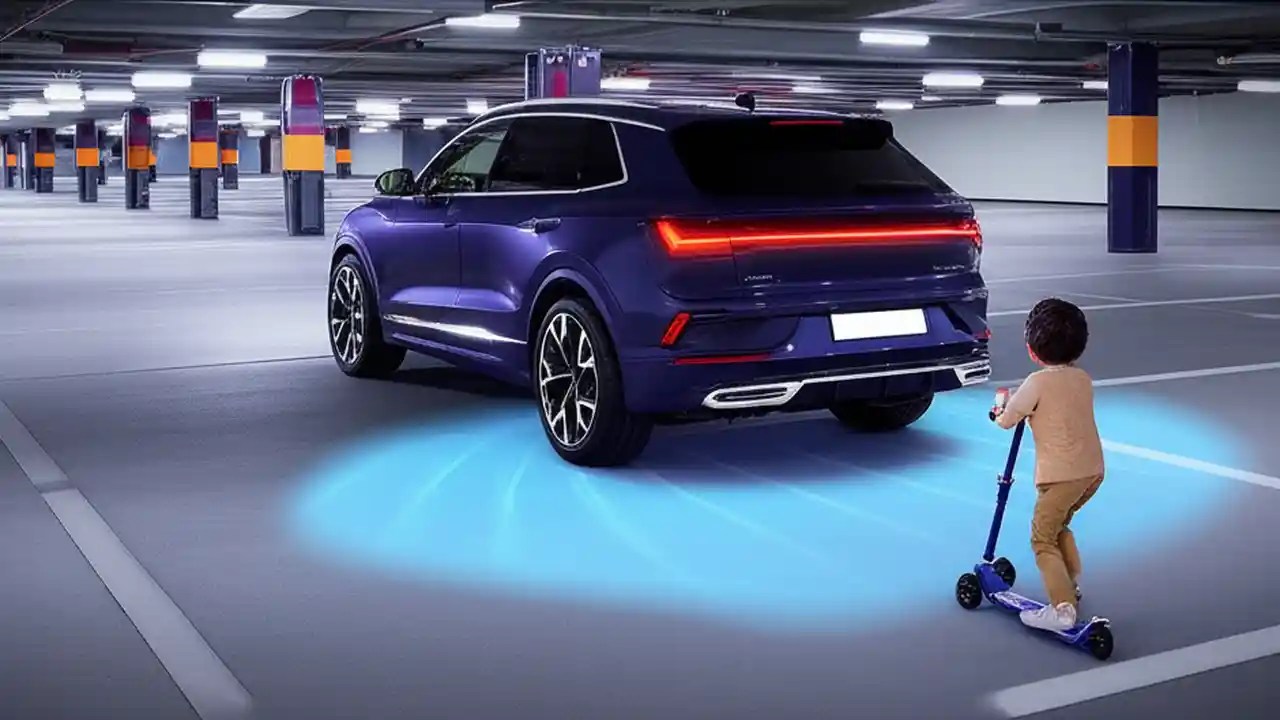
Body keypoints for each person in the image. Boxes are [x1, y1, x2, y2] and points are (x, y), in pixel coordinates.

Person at [991, 298, 1104, 631]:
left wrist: (1000, 412)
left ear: (1032, 350)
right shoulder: (1082, 378)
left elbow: (1008, 420)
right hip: (1091, 472)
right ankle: (1069, 585)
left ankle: (1062, 609)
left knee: (1042, 539)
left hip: (1061, 477)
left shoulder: (1035, 383)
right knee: (1059, 526)